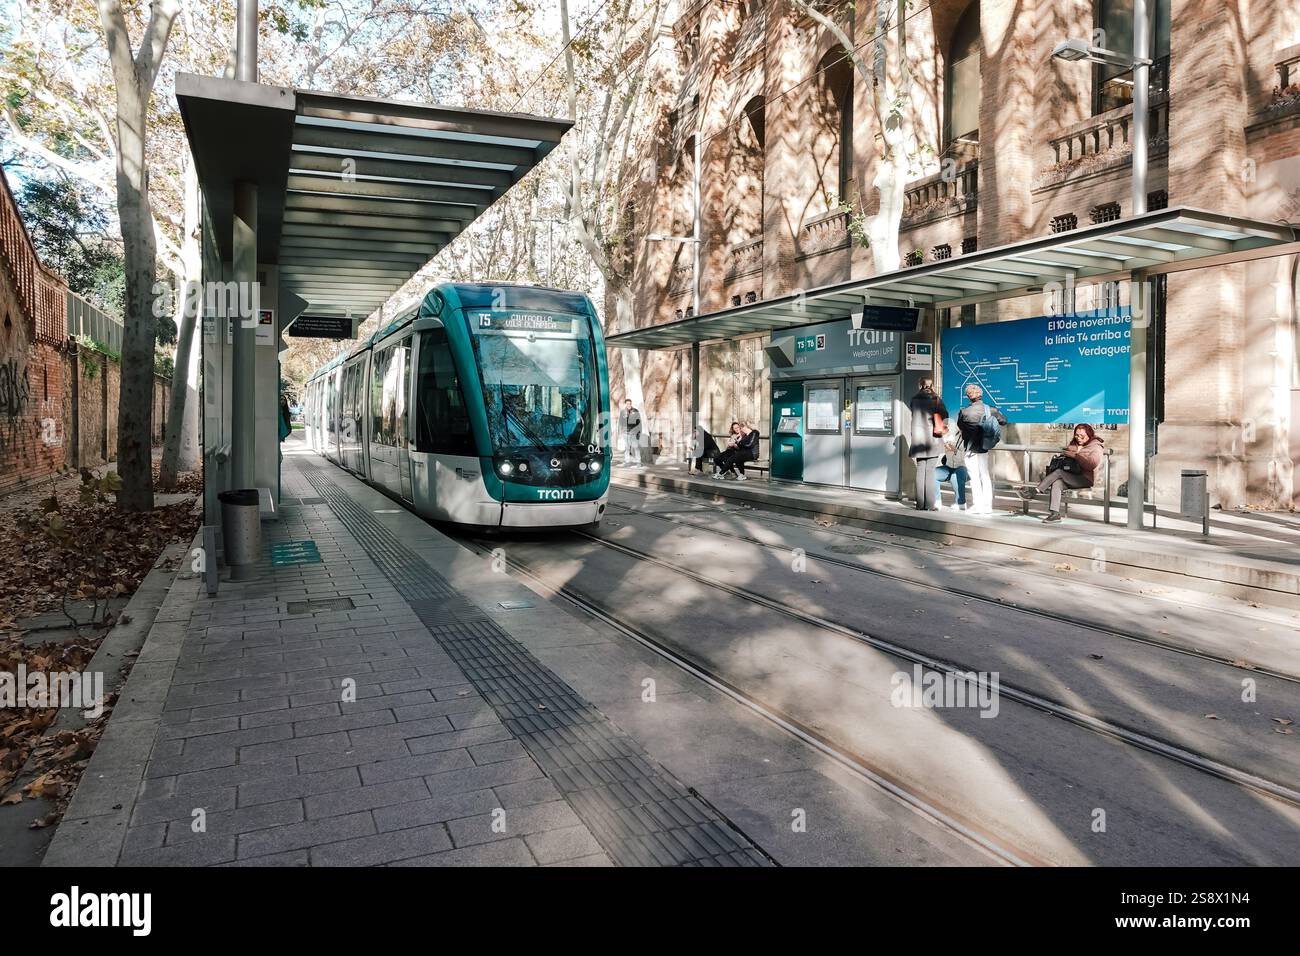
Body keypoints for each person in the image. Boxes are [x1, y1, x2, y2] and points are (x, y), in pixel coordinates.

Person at [1019, 423, 1105, 523]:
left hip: (1084, 478)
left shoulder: (1096, 446)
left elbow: (1092, 464)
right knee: (1057, 482)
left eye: (1082, 436)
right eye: (1076, 435)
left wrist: (1075, 456)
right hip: (1071, 474)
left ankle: (1033, 492)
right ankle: (1055, 514)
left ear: (1089, 435)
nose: (1078, 438)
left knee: (1059, 472)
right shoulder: (1074, 444)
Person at [956, 383, 1007, 515]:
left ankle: (977, 505)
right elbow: (1004, 421)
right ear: (981, 394)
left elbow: (960, 427)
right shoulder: (990, 409)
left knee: (974, 477)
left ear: (968, 396)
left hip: (970, 449)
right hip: (984, 447)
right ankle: (987, 505)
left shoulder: (964, 411)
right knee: (985, 475)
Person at [907, 379, 949, 511]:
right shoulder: (936, 399)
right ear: (932, 386)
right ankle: (930, 505)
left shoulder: (914, 399)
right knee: (930, 472)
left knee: (920, 470)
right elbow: (945, 415)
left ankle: (920, 504)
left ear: (920, 385)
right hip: (933, 440)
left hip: (918, 441)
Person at [934, 418, 968, 510]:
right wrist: (944, 448)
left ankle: (960, 502)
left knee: (954, 476)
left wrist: (955, 450)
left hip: (962, 467)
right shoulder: (946, 437)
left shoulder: (965, 438)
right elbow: (940, 453)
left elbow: (964, 458)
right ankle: (936, 501)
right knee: (933, 474)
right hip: (949, 467)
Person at [619, 398, 642, 467]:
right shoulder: (622, 412)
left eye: (630, 403)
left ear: (631, 404)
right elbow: (620, 422)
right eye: (627, 403)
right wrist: (621, 432)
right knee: (627, 448)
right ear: (625, 404)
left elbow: (639, 422)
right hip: (625, 433)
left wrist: (638, 432)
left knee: (636, 447)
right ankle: (627, 462)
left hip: (634, 432)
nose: (628, 405)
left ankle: (638, 462)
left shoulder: (635, 411)